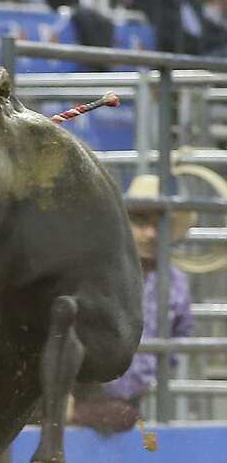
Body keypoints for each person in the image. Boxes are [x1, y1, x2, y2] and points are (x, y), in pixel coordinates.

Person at [70, 174, 196, 433]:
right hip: (77, 390)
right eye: (140, 220)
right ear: (124, 222)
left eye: (160, 224)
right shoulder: (94, 269)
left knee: (124, 418)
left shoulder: (175, 283)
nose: (150, 234)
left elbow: (179, 337)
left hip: (127, 401)